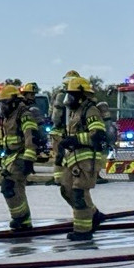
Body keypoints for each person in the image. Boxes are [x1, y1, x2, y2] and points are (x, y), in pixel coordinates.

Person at [55, 76, 107, 241]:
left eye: (72, 96)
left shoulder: (90, 110)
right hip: (73, 160)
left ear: (82, 96)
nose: (68, 100)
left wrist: (76, 140)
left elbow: (98, 135)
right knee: (66, 190)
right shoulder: (75, 112)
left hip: (86, 161)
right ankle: (94, 215)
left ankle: (83, 231)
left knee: (79, 194)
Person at [0, 84, 39, 230]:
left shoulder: (24, 115)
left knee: (9, 187)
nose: (1, 108)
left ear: (13, 103)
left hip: (21, 157)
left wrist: (29, 159)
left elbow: (31, 137)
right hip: (11, 159)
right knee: (17, 190)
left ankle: (20, 217)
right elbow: (1, 140)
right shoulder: (7, 118)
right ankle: (24, 221)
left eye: (3, 105)